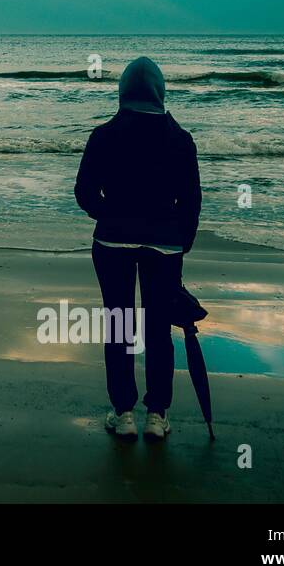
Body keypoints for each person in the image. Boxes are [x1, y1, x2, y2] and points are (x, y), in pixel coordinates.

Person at [74, 57, 201, 441]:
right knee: (158, 328)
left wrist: (109, 214)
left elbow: (83, 192)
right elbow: (191, 201)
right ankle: (157, 416)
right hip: (164, 247)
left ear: (122, 92)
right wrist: (181, 243)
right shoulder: (180, 139)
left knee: (119, 324)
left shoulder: (103, 135)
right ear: (160, 92)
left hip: (112, 242)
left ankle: (124, 412)